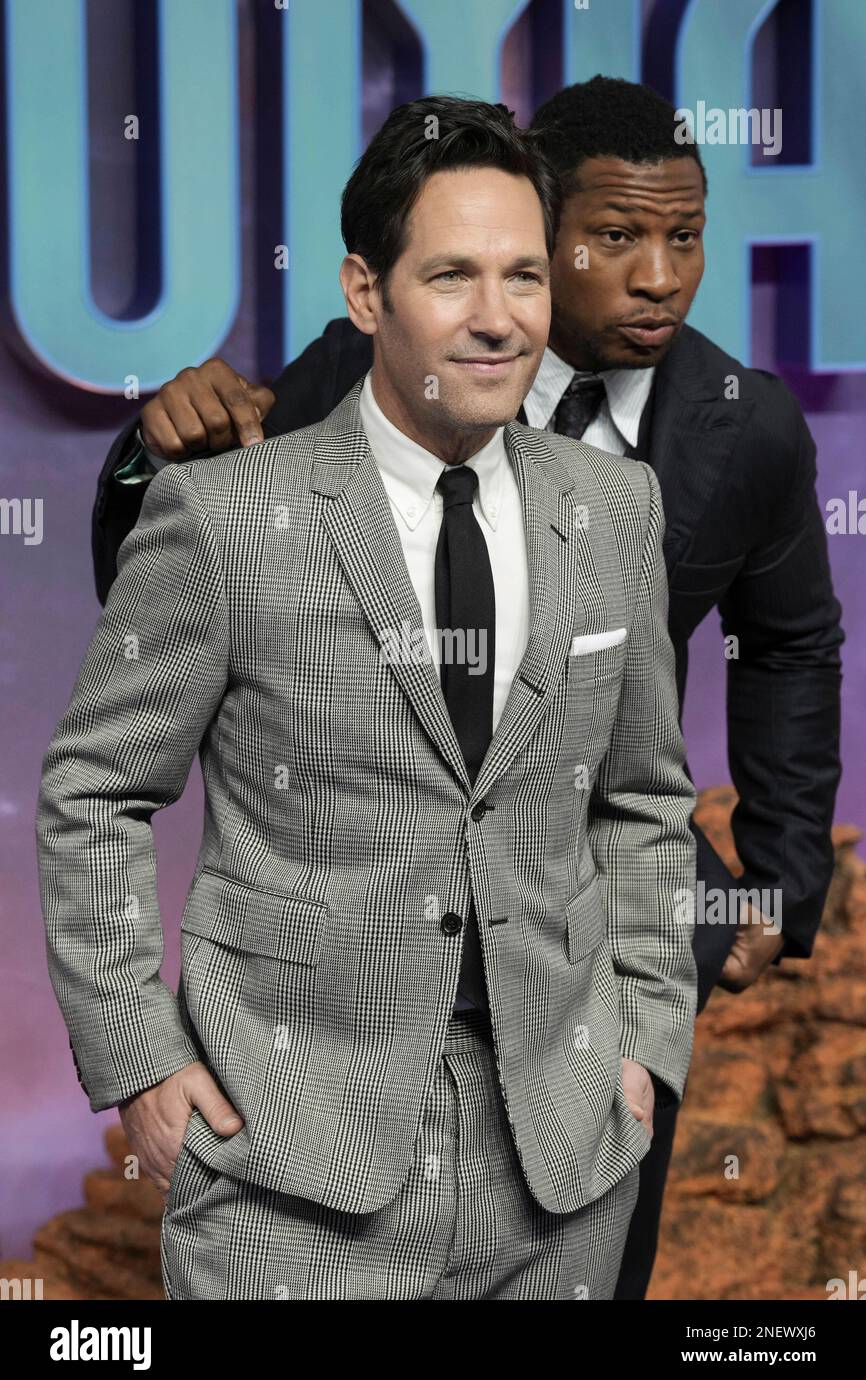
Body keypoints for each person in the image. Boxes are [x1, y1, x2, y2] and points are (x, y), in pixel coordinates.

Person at [89, 76, 844, 1299]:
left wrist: (775, 875)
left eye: (683, 237)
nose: (655, 273)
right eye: (610, 237)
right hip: (345, 976)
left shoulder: (740, 426)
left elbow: (789, 647)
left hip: (587, 927)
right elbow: (197, 559)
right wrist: (148, 454)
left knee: (598, 1214)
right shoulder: (363, 362)